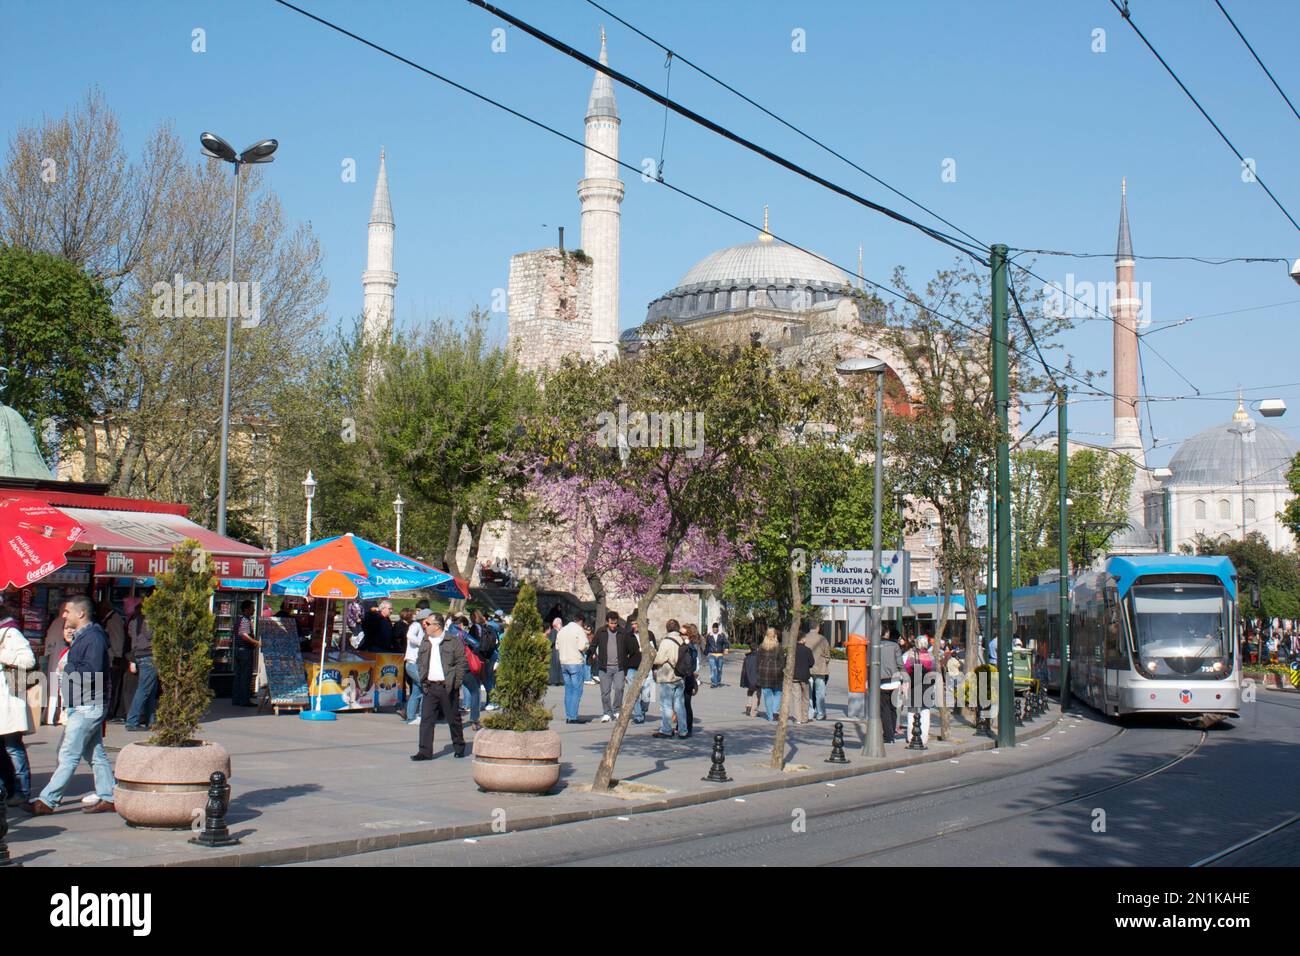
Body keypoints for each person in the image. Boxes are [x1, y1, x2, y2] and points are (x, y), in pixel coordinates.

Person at [25, 596, 118, 815]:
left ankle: (48, 800)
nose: (64, 615)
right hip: (83, 702)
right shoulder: (84, 636)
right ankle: (109, 795)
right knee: (95, 754)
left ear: (81, 613)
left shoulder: (93, 638)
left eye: (68, 612)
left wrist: (68, 669)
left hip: (88, 703)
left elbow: (91, 670)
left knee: (68, 754)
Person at [411, 613, 467, 760]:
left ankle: (459, 746)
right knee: (426, 720)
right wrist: (423, 679)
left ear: (436, 626)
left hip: (447, 687)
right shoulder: (425, 641)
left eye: (428, 623)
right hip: (430, 686)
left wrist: (456, 682)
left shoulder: (453, 641)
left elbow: (462, 662)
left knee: (453, 719)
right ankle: (424, 751)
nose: (425, 626)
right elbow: (420, 661)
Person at [0, 600, 36, 805]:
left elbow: (29, 660)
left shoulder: (10, 633)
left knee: (13, 747)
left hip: (9, 700)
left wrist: (3, 653)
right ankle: (6, 789)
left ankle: (23, 791)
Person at [593, 610, 638, 722]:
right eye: (611, 623)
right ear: (607, 622)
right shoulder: (601, 632)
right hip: (604, 667)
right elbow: (593, 645)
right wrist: (591, 654)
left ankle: (617, 710)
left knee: (619, 688)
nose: (613, 625)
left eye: (615, 623)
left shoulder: (622, 632)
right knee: (605, 692)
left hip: (619, 667)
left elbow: (630, 648)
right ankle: (607, 713)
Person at [652, 620, 690, 739]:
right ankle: (683, 730)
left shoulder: (666, 641)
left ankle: (666, 730)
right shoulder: (682, 640)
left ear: (667, 628)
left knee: (666, 705)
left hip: (668, 677)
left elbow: (659, 659)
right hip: (680, 676)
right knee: (680, 705)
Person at [124, 603, 157, 732]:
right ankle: (132, 721)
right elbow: (150, 635)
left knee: (150, 689)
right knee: (144, 689)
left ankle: (151, 720)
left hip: (141, 655)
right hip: (148, 654)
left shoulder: (135, 620)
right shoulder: (149, 619)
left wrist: (133, 658)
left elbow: (133, 641)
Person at [902, 635, 937, 745]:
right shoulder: (931, 657)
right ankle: (923, 737)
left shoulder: (909, 655)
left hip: (913, 685)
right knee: (925, 711)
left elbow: (904, 670)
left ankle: (911, 736)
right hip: (926, 686)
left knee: (912, 711)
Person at [98, 598, 127, 721]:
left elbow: (117, 640)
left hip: (113, 659)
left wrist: (117, 657)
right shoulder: (110, 619)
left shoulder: (113, 620)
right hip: (110, 658)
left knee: (112, 687)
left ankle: (110, 711)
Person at [556, 617, 589, 724]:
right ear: (581, 621)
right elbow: (583, 646)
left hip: (564, 662)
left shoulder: (562, 630)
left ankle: (569, 715)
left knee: (568, 690)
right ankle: (573, 716)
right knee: (577, 690)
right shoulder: (579, 630)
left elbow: (557, 646)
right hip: (575, 662)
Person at [231, 600, 259, 707]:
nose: (254, 610)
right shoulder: (245, 620)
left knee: (238, 676)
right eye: (252, 608)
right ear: (247, 609)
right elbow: (244, 635)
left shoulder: (240, 620)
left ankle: (237, 698)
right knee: (245, 676)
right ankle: (244, 700)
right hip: (245, 652)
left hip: (239, 651)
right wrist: (256, 642)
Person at [404, 609, 430, 724]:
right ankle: (421, 715)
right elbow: (409, 635)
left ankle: (411, 717)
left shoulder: (423, 629)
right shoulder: (416, 625)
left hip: (416, 664)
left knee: (416, 691)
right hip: (412, 663)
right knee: (425, 687)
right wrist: (421, 643)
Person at [878, 626, 902, 744]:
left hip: (881, 681)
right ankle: (891, 733)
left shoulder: (875, 646)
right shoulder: (895, 646)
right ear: (887, 633)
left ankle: (888, 736)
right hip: (895, 680)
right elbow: (900, 664)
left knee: (885, 709)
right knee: (893, 708)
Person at [459, 614, 484, 729]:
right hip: (465, 666)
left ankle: (454, 717)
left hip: (450, 667)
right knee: (475, 691)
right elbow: (476, 644)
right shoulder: (462, 633)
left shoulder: (446, 633)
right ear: (461, 624)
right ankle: (474, 719)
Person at [755, 628, 785, 721]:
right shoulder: (779, 647)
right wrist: (780, 668)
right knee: (778, 692)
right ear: (775, 635)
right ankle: (775, 711)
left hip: (764, 672)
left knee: (767, 694)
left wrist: (758, 671)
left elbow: (757, 661)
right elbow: (782, 661)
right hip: (776, 672)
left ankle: (770, 716)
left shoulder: (761, 646)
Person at [803, 626, 830, 720]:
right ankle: (820, 713)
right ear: (818, 628)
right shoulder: (823, 639)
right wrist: (825, 662)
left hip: (808, 669)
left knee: (809, 693)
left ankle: (810, 712)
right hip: (820, 669)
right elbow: (827, 655)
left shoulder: (804, 637)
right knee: (820, 692)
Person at [680, 623, 701, 735]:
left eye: (682, 633)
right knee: (681, 703)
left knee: (686, 703)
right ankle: (681, 726)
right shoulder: (687, 645)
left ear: (688, 635)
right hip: (685, 677)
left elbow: (693, 665)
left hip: (687, 677)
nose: (680, 635)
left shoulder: (691, 648)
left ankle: (688, 727)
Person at [791, 633, 815, 725]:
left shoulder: (792, 650)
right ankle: (805, 717)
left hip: (794, 676)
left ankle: (798, 718)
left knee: (796, 698)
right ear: (802, 639)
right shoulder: (807, 650)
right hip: (805, 677)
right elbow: (811, 663)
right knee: (805, 697)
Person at [741, 640, 763, 717]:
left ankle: (748, 706)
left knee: (750, 692)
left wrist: (744, 680)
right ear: (757, 648)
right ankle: (753, 710)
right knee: (758, 694)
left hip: (749, 679)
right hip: (757, 678)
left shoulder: (747, 657)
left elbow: (744, 670)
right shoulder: (760, 657)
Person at [705, 623, 729, 688]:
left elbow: (726, 643)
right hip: (712, 654)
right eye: (714, 628)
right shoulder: (709, 636)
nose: (715, 629)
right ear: (712, 628)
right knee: (713, 669)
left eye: (716, 628)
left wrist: (726, 649)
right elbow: (707, 645)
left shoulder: (721, 635)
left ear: (718, 628)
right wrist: (705, 653)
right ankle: (713, 683)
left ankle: (718, 681)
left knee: (719, 669)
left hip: (720, 654)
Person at [546, 617, 564, 687]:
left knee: (553, 666)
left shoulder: (554, 631)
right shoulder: (562, 631)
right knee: (559, 666)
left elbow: (551, 641)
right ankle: (560, 680)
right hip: (560, 650)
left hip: (554, 651)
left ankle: (553, 680)